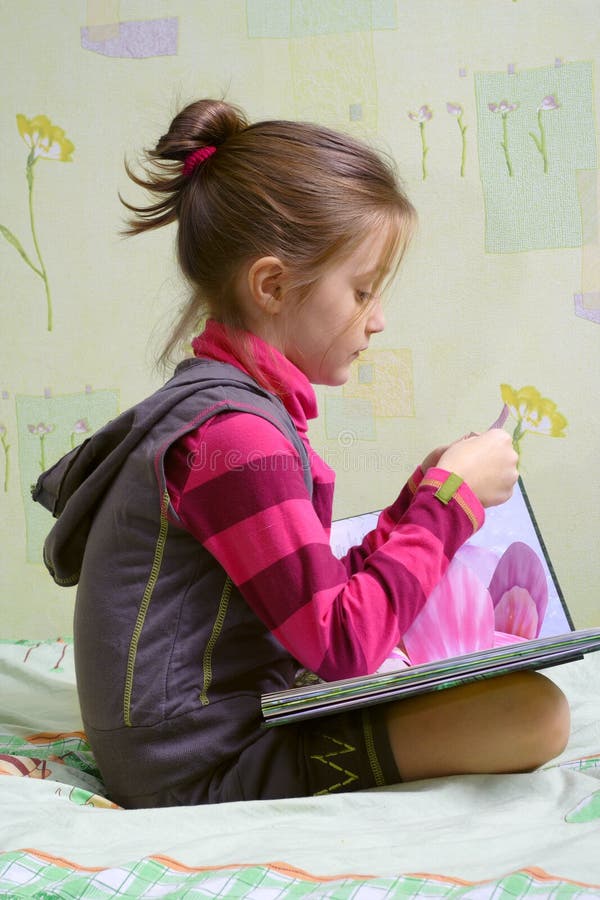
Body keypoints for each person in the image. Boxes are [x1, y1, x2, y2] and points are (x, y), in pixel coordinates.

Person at [34, 98, 570, 808]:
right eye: (362, 291)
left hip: (196, 740)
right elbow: (342, 644)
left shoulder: (234, 419)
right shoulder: (237, 438)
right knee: (534, 714)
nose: (377, 321)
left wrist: (420, 499)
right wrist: (449, 504)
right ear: (273, 285)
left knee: (514, 700)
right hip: (194, 768)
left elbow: (305, 606)